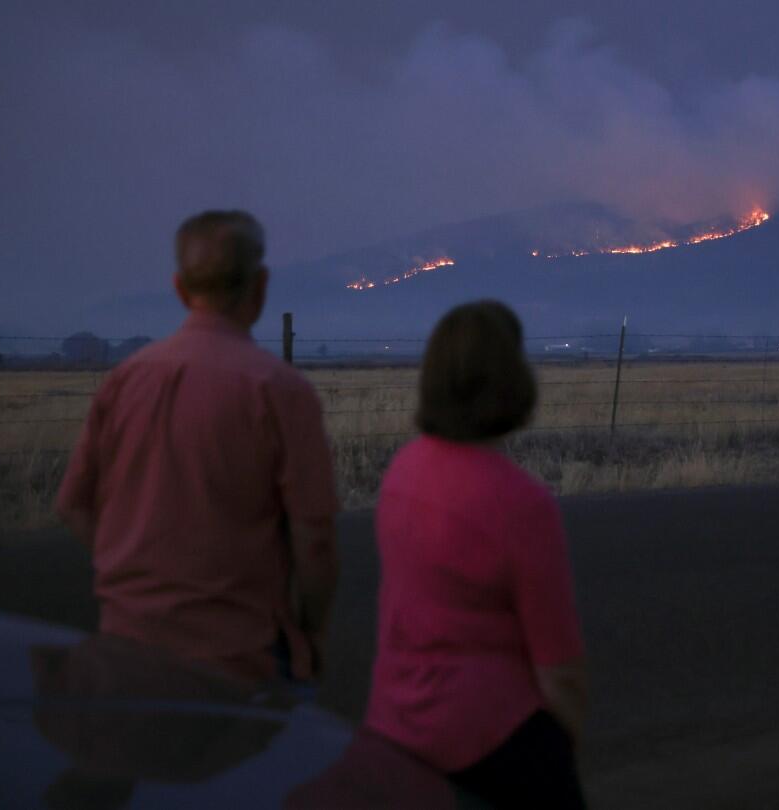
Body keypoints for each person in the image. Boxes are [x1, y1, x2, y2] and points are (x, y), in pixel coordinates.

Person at [55, 210, 339, 683]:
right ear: (261, 286)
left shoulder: (124, 381)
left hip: (126, 648)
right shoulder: (281, 391)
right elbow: (317, 540)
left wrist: (135, 577)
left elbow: (73, 505)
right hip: (242, 660)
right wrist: (311, 632)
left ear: (180, 289)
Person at [364, 300, 588, 808]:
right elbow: (561, 670)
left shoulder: (404, 470)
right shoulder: (520, 504)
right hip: (488, 738)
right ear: (513, 380)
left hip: (395, 723)